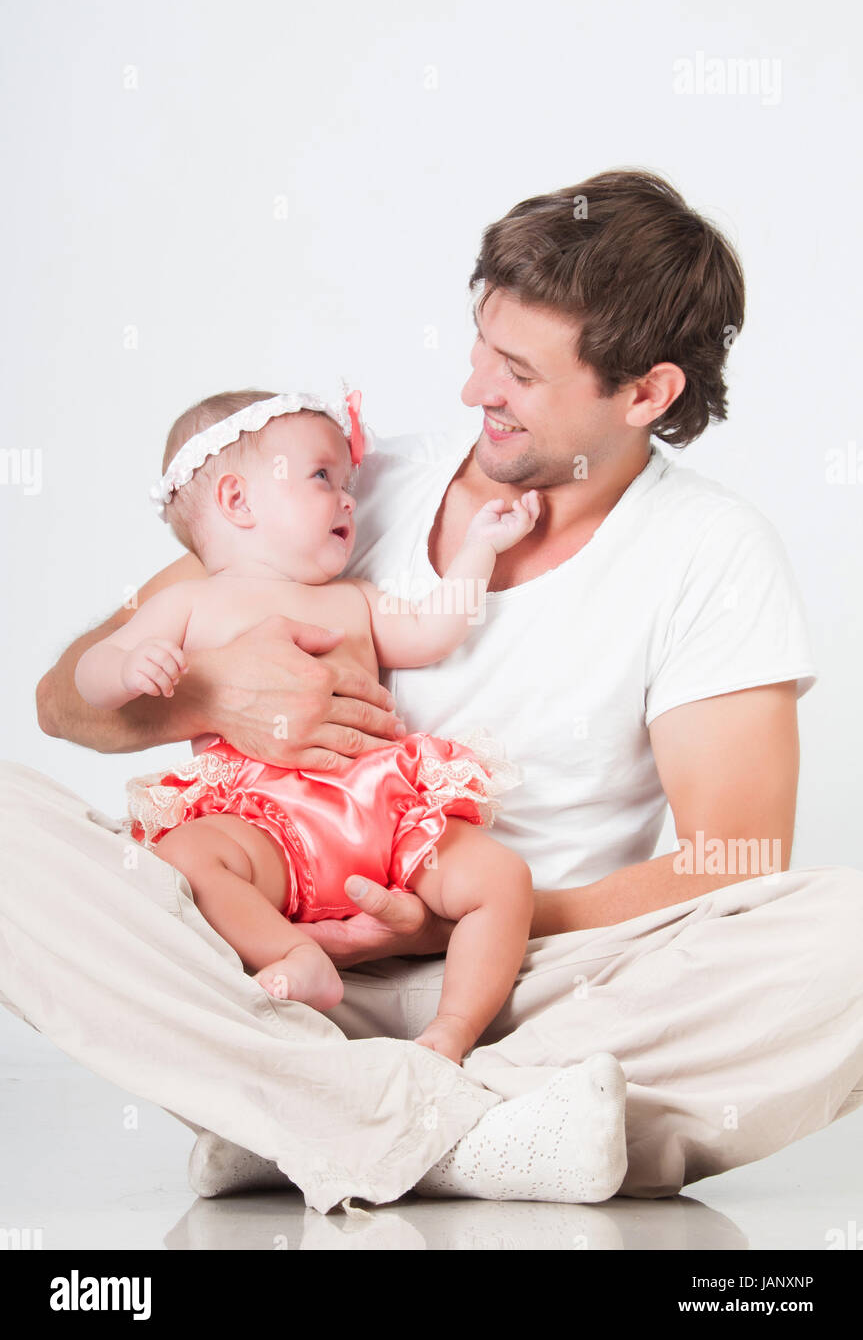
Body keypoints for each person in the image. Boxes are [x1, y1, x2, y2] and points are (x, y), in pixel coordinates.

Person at [11, 168, 863, 1214]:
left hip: (536, 980)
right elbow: (66, 695)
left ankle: (305, 1115)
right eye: (478, 346)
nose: (471, 391)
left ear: (644, 393)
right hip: (278, 968)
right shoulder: (343, 491)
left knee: (846, 935)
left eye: (513, 370)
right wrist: (211, 700)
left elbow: (732, 866)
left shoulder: (710, 554)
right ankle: (471, 1125)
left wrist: (449, 925)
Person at [73, 382, 540, 1065]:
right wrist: (128, 666)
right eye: (323, 477)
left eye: (347, 482)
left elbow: (436, 631)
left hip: (383, 820)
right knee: (188, 860)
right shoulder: (187, 604)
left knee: (502, 879)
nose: (348, 498)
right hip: (263, 829)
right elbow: (93, 673)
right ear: (237, 500)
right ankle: (296, 954)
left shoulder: (355, 600)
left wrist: (480, 549)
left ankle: (453, 1033)